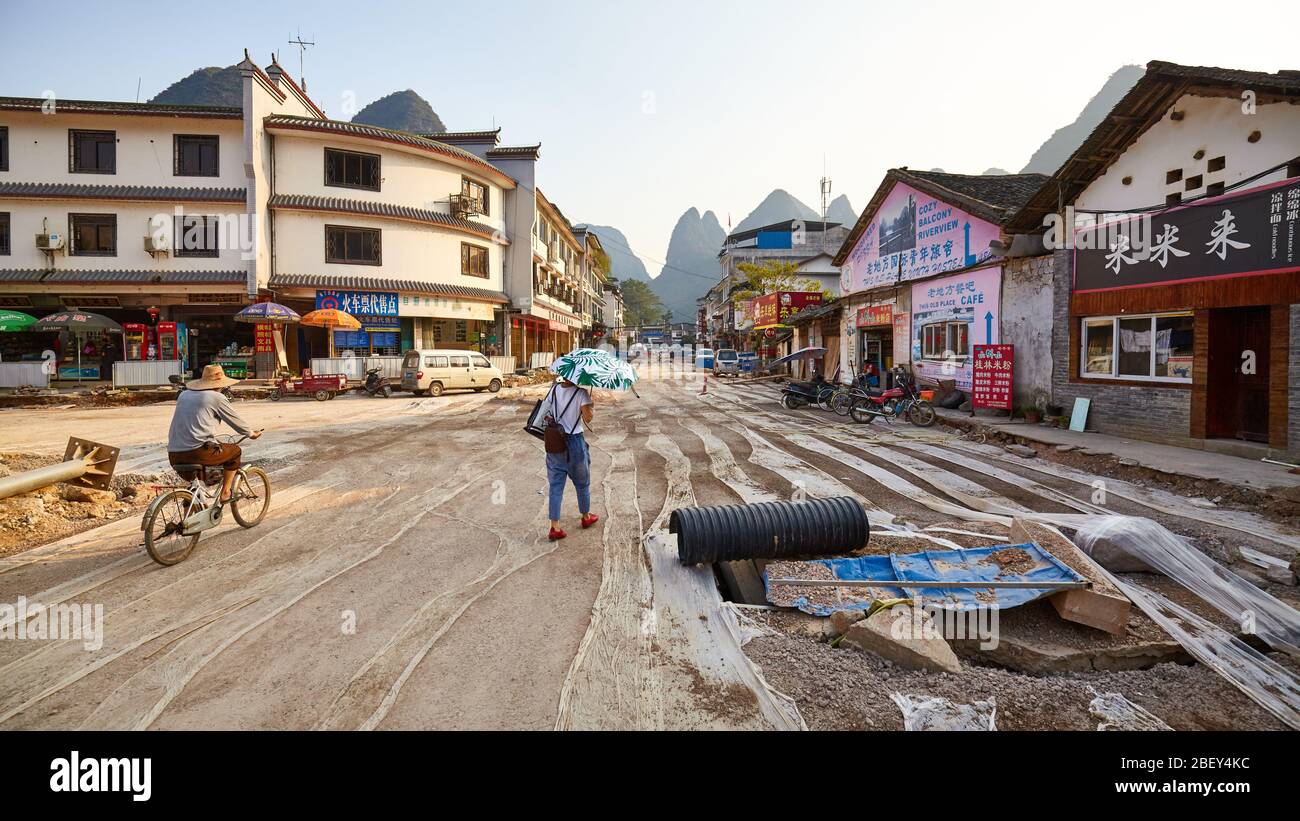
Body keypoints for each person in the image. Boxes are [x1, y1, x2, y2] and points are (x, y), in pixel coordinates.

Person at [168, 364, 262, 504]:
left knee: (196, 487)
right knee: (235, 452)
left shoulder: (184, 395)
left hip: (174, 454)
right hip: (196, 452)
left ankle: (188, 519)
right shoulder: (216, 397)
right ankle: (225, 493)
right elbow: (236, 421)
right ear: (220, 383)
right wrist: (251, 433)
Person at [539, 379, 598, 541]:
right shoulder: (582, 393)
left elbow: (545, 412)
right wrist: (589, 406)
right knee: (582, 482)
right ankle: (586, 517)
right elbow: (588, 418)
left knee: (555, 486)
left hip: (555, 440)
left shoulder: (554, 390)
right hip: (574, 443)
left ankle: (555, 527)